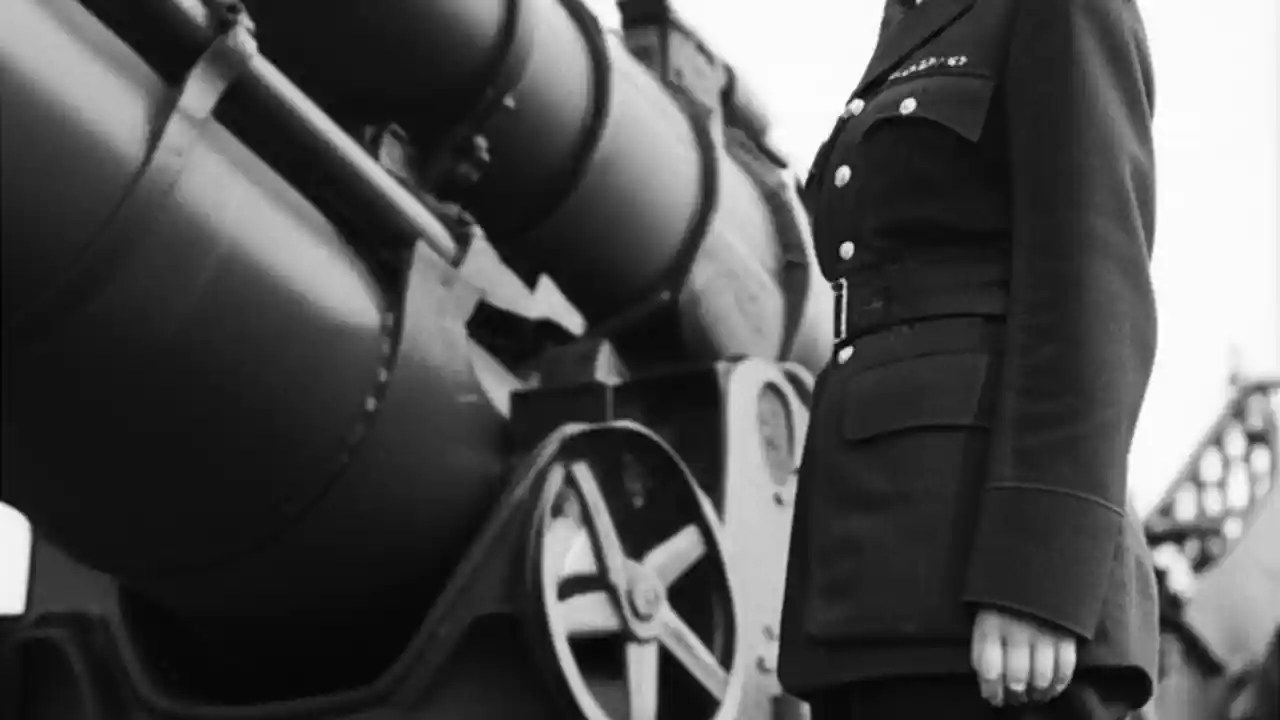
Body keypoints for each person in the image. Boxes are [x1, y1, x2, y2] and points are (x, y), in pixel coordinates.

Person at [776, 0, 1161, 718]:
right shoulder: (912, 25)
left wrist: (1038, 576)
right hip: (879, 581)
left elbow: (1091, 282)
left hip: (987, 595)